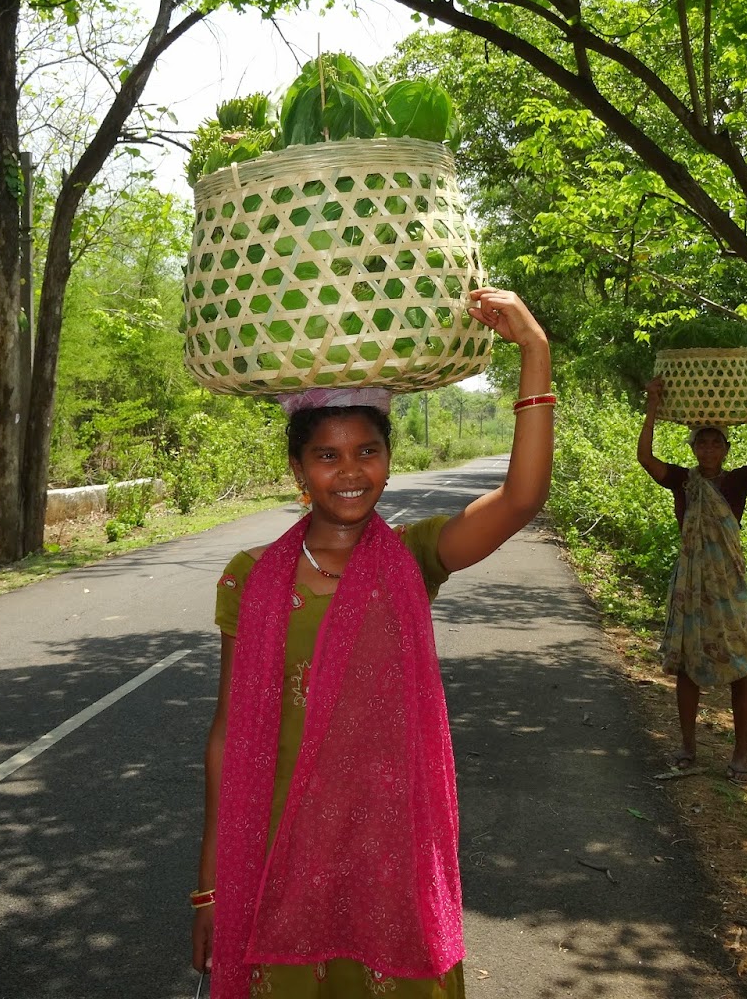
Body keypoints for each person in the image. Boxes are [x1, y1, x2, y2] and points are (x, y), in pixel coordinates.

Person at [191, 287, 553, 999]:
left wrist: (534, 354)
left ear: (390, 458)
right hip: (278, 856)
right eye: (326, 456)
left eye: (368, 451)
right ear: (298, 471)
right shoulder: (250, 581)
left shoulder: (415, 560)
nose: (350, 471)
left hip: (388, 856)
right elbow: (227, 739)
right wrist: (208, 889)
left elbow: (521, 499)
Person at [637, 368, 747, 784]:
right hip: (691, 584)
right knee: (686, 665)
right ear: (693, 446)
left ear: (726, 448)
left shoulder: (737, 483)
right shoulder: (683, 481)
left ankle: (740, 756)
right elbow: (645, 458)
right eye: (701, 440)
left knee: (740, 666)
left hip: (728, 587)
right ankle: (687, 748)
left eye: (715, 441)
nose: (708, 447)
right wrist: (652, 406)